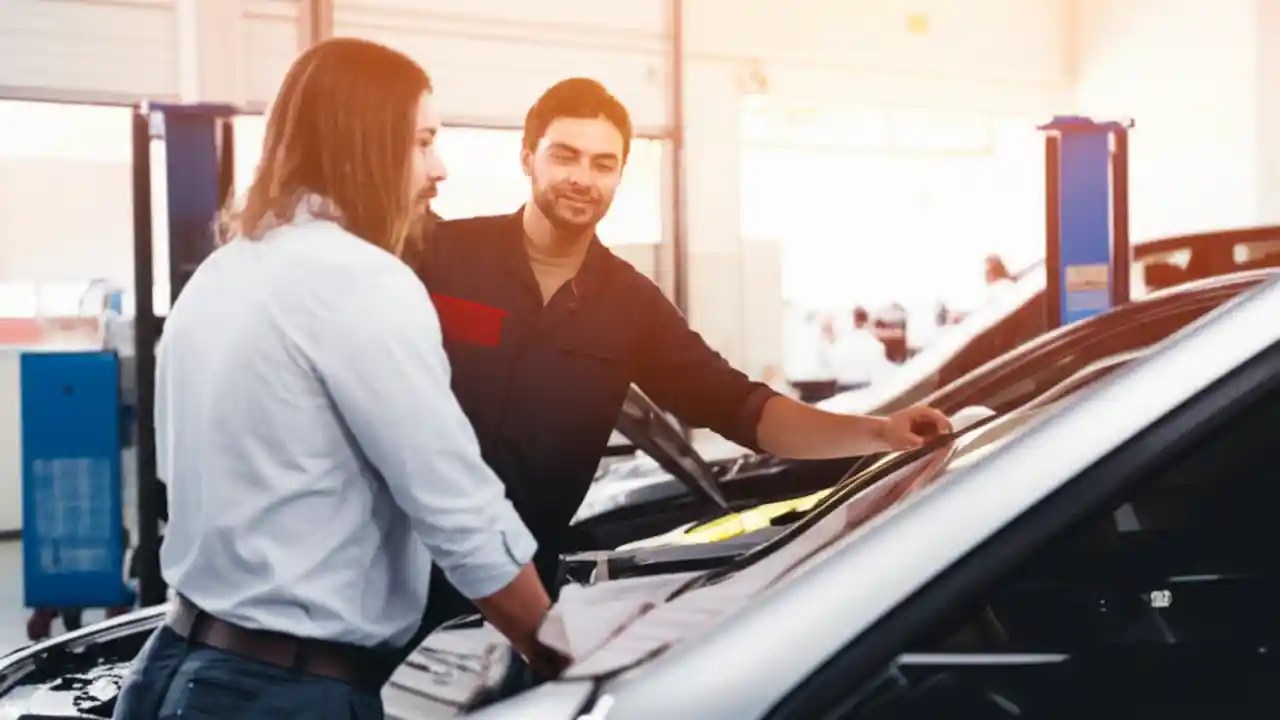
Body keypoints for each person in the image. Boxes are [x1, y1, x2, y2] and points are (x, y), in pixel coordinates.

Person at [112, 38, 561, 720]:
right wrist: (567, 656)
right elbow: (458, 513)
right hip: (282, 692)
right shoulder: (361, 281)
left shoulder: (226, 270)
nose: (438, 169)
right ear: (365, 145)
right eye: (422, 141)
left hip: (172, 668)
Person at [406, 78, 952, 632]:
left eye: (603, 163)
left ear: (619, 174)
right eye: (564, 156)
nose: (582, 178)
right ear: (528, 158)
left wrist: (880, 434)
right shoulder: (441, 256)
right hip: (397, 571)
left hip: (518, 594)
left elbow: (739, 407)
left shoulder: (629, 305)